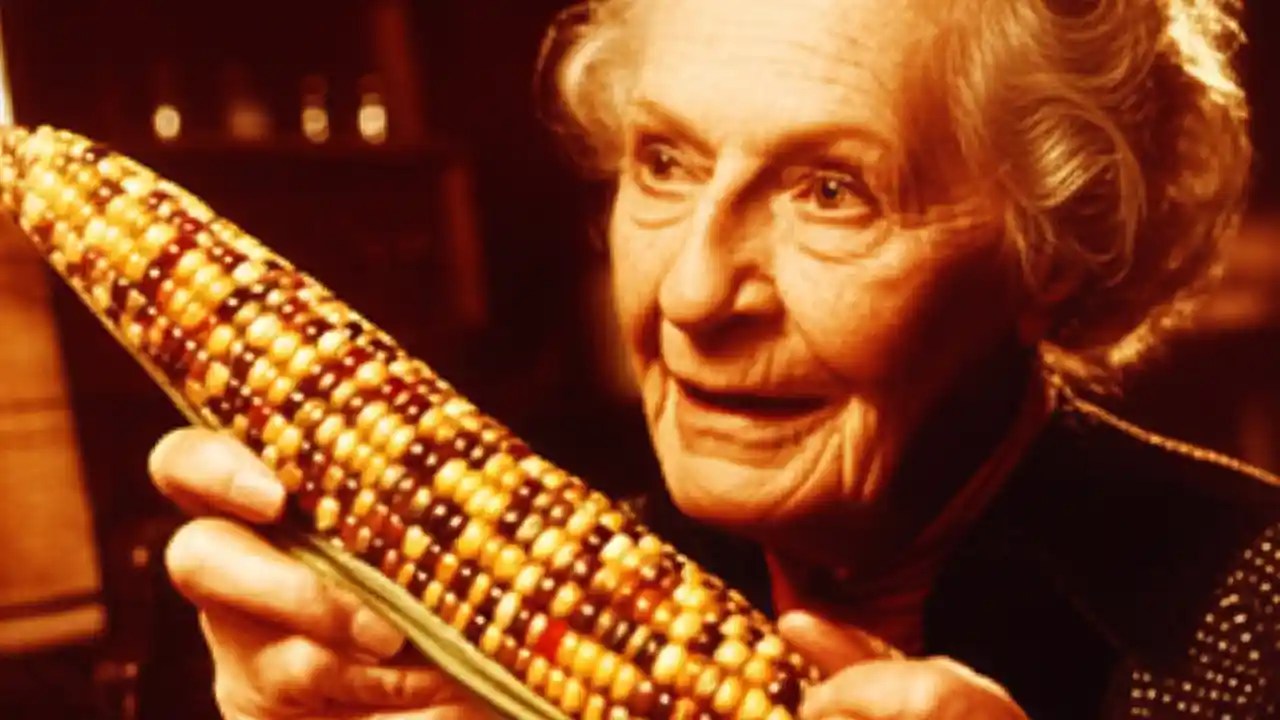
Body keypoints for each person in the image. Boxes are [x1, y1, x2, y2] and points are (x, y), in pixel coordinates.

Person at [145, 0, 1279, 718]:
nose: (688, 294)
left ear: (1054, 258)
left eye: (831, 191)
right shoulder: (503, 583)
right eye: (665, 161)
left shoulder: (1249, 619)